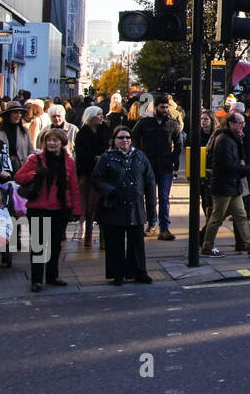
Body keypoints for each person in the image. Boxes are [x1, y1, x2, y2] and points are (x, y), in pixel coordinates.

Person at [15, 128, 80, 292]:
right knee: (38, 245)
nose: (51, 143)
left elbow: (74, 187)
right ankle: (37, 279)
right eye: (48, 140)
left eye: (55, 140)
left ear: (62, 143)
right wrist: (35, 174)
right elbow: (18, 177)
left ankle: (52, 276)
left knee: (55, 244)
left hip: (61, 209)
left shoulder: (69, 162)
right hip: (38, 208)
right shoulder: (36, 159)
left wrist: (77, 209)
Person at [92, 127, 154, 285]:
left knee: (137, 242)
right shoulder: (107, 157)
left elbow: (149, 180)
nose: (125, 140)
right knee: (115, 242)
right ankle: (117, 273)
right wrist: (110, 191)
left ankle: (139, 271)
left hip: (135, 205)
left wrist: (151, 206)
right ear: (114, 140)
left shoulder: (140, 156)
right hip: (114, 205)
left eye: (127, 137)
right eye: (121, 138)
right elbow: (97, 179)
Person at [201, 112, 250, 257]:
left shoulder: (233, 138)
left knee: (241, 216)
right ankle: (206, 246)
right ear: (230, 123)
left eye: (243, 122)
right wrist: (244, 169)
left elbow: (239, 158)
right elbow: (226, 164)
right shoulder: (224, 140)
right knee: (217, 218)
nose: (242, 125)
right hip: (224, 185)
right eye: (240, 123)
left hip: (233, 184)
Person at [131, 94, 182, 239]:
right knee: (151, 197)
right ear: (155, 108)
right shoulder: (144, 123)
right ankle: (152, 223)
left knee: (164, 197)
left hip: (165, 166)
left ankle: (164, 226)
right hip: (149, 166)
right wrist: (139, 156)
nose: (165, 110)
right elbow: (133, 137)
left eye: (166, 107)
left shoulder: (172, 124)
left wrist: (173, 159)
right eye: (162, 107)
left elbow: (178, 143)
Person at [74, 105, 109, 247]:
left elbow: (108, 148)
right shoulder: (82, 133)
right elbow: (81, 154)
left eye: (102, 114)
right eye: (99, 115)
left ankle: (103, 238)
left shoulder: (105, 131)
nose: (101, 117)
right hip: (87, 173)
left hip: (104, 173)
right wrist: (94, 158)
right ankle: (88, 235)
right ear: (91, 116)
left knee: (102, 205)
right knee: (89, 206)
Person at [229, 102, 250, 219]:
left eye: (231, 110)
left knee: (244, 188)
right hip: (249, 161)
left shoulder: (243, 124)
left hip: (244, 161)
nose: (230, 113)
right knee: (247, 188)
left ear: (237, 111)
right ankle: (249, 211)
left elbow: (243, 144)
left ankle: (246, 212)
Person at [0, 101, 33, 173]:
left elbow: (30, 150)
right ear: (8, 115)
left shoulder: (24, 131)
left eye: (20, 113)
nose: (18, 115)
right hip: (3, 170)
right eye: (15, 113)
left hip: (21, 168)